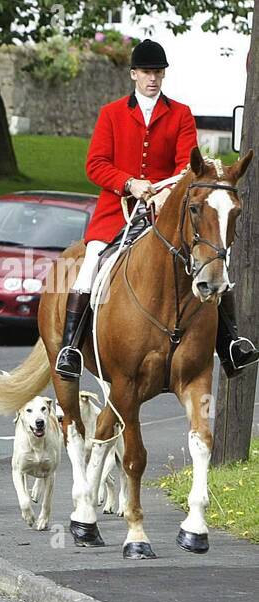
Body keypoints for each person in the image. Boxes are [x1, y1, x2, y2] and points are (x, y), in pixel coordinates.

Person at [57, 38, 257, 379]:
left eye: (159, 73)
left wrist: (167, 192)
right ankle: (71, 349)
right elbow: (96, 164)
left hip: (167, 211)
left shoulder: (180, 114)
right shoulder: (111, 113)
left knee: (211, 264)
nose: (153, 78)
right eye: (147, 72)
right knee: (90, 265)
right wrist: (129, 184)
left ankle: (231, 345)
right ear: (134, 74)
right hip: (116, 210)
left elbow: (186, 164)